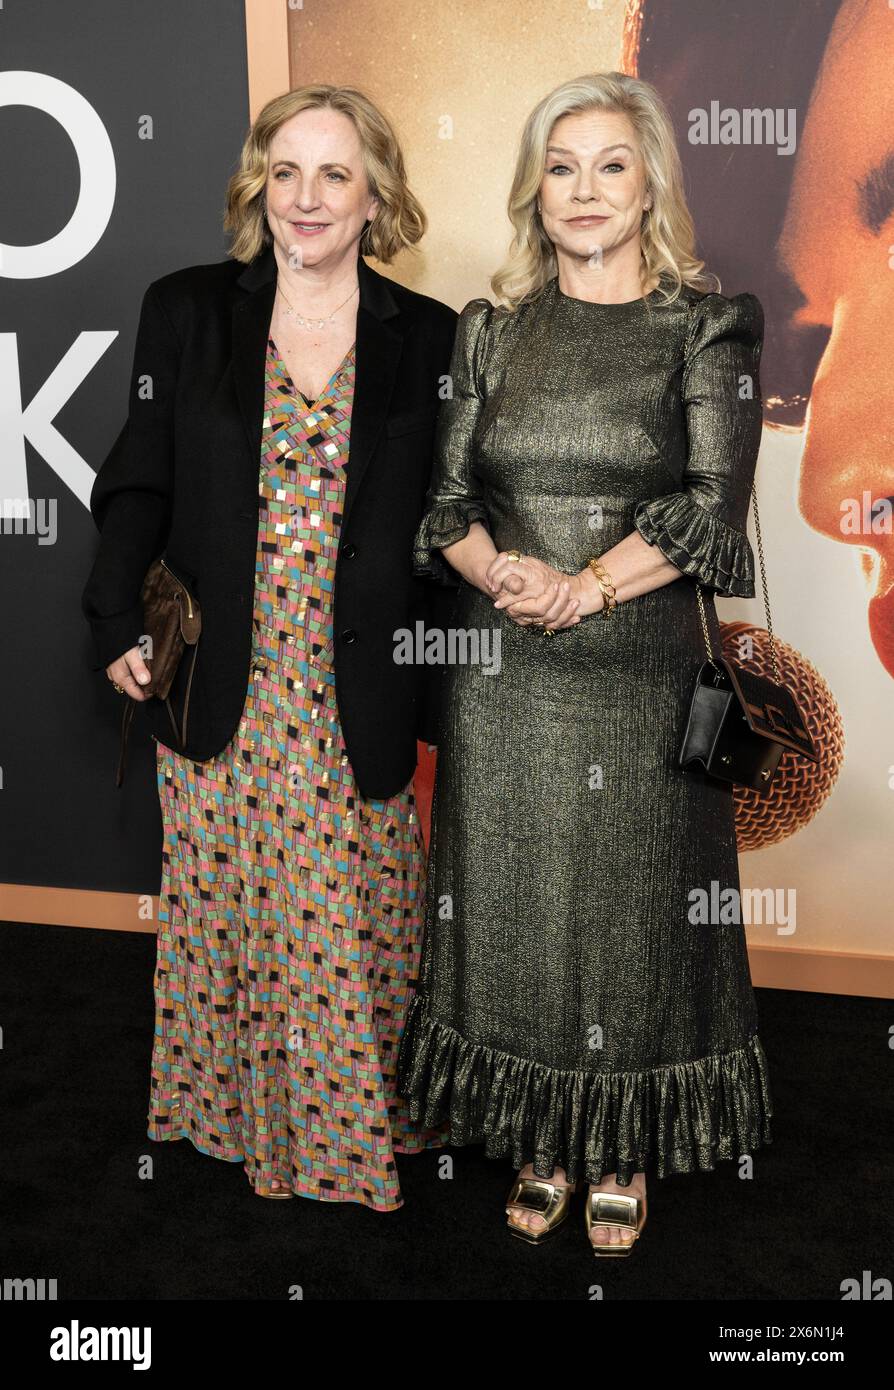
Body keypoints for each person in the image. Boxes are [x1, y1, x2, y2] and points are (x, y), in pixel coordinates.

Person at [396, 71, 773, 1253]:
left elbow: (714, 506)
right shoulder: (491, 328)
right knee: (514, 910)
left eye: (612, 164)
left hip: (637, 675)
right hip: (507, 682)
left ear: (652, 178)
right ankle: (543, 1140)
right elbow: (446, 501)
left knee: (635, 914)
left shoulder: (707, 326)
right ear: (535, 190)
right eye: (562, 167)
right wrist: (495, 567)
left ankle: (619, 1145)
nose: (585, 190)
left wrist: (587, 586)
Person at [81, 84, 458, 1211]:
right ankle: (238, 1119)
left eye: (336, 174)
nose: (308, 198)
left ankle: (353, 1134)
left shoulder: (431, 336)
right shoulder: (187, 311)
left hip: (360, 685)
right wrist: (111, 622)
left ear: (376, 193)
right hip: (222, 679)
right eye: (286, 172)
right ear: (259, 185)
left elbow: (451, 517)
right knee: (232, 908)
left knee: (358, 914)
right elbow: (137, 481)